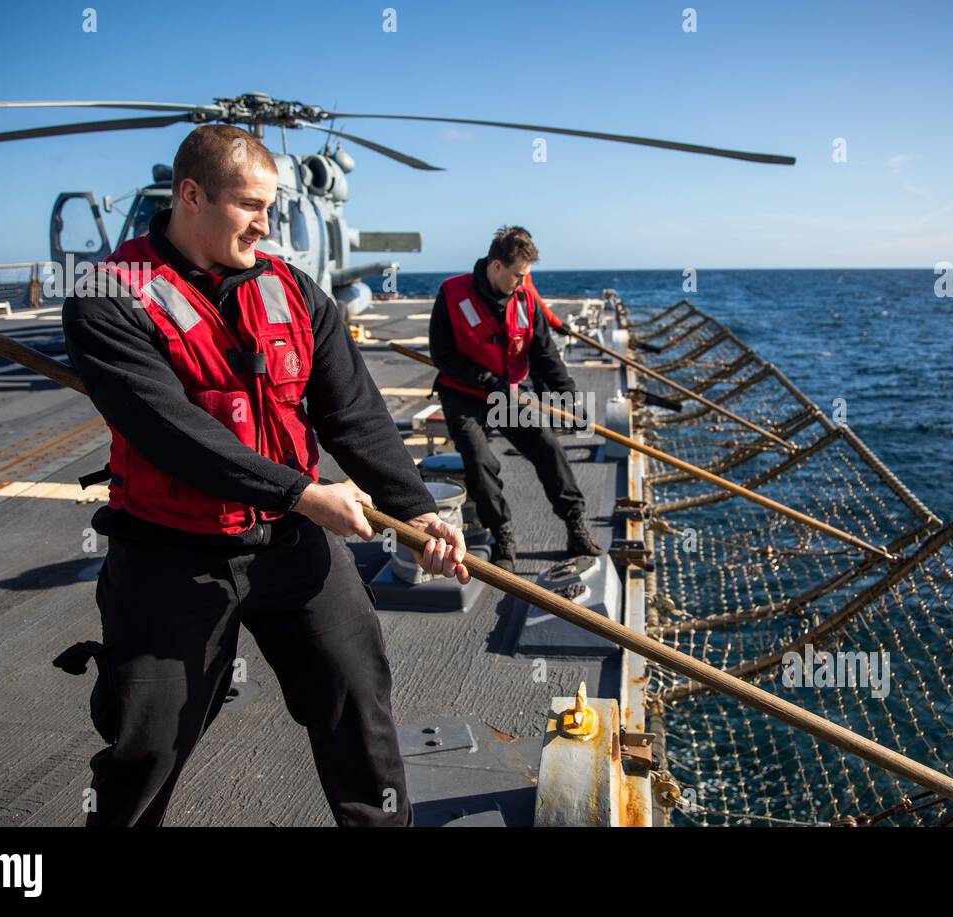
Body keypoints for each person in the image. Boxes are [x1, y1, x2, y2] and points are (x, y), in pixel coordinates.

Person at [59, 124, 468, 827]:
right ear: (191, 195)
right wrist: (304, 492)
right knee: (146, 744)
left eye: (272, 205)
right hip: (169, 552)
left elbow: (355, 414)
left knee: (359, 707)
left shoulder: (295, 291)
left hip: (287, 543)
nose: (267, 221)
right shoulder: (108, 298)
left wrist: (418, 507)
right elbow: (170, 433)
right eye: (250, 204)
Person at [428, 226, 602, 573]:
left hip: (506, 396)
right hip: (464, 395)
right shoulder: (452, 294)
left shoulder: (526, 301)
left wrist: (570, 399)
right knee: (479, 461)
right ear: (496, 266)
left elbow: (545, 356)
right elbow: (442, 355)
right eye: (518, 276)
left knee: (547, 447)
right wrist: (487, 381)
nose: (522, 283)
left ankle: (575, 525)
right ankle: (501, 533)